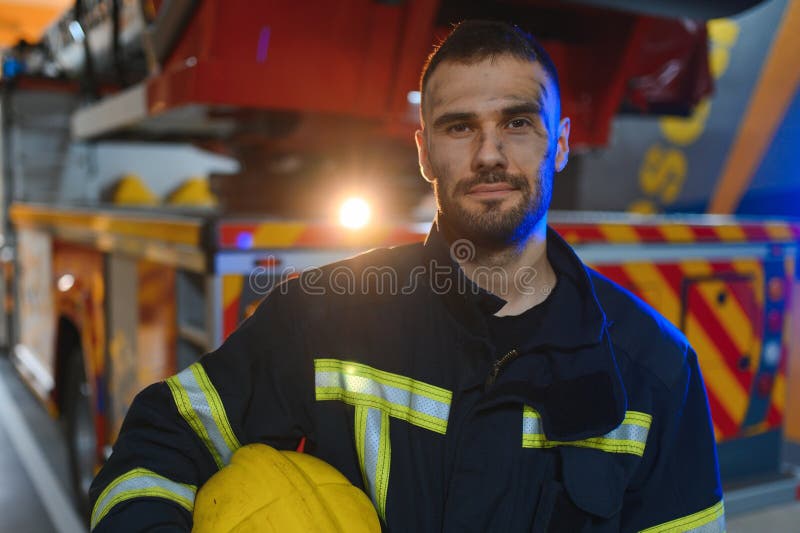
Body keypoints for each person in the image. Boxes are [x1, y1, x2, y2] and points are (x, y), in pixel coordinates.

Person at [90, 20, 724, 532]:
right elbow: (159, 442)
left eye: (517, 122)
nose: (489, 154)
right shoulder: (324, 315)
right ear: (424, 153)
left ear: (558, 143)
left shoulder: (654, 371)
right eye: (459, 127)